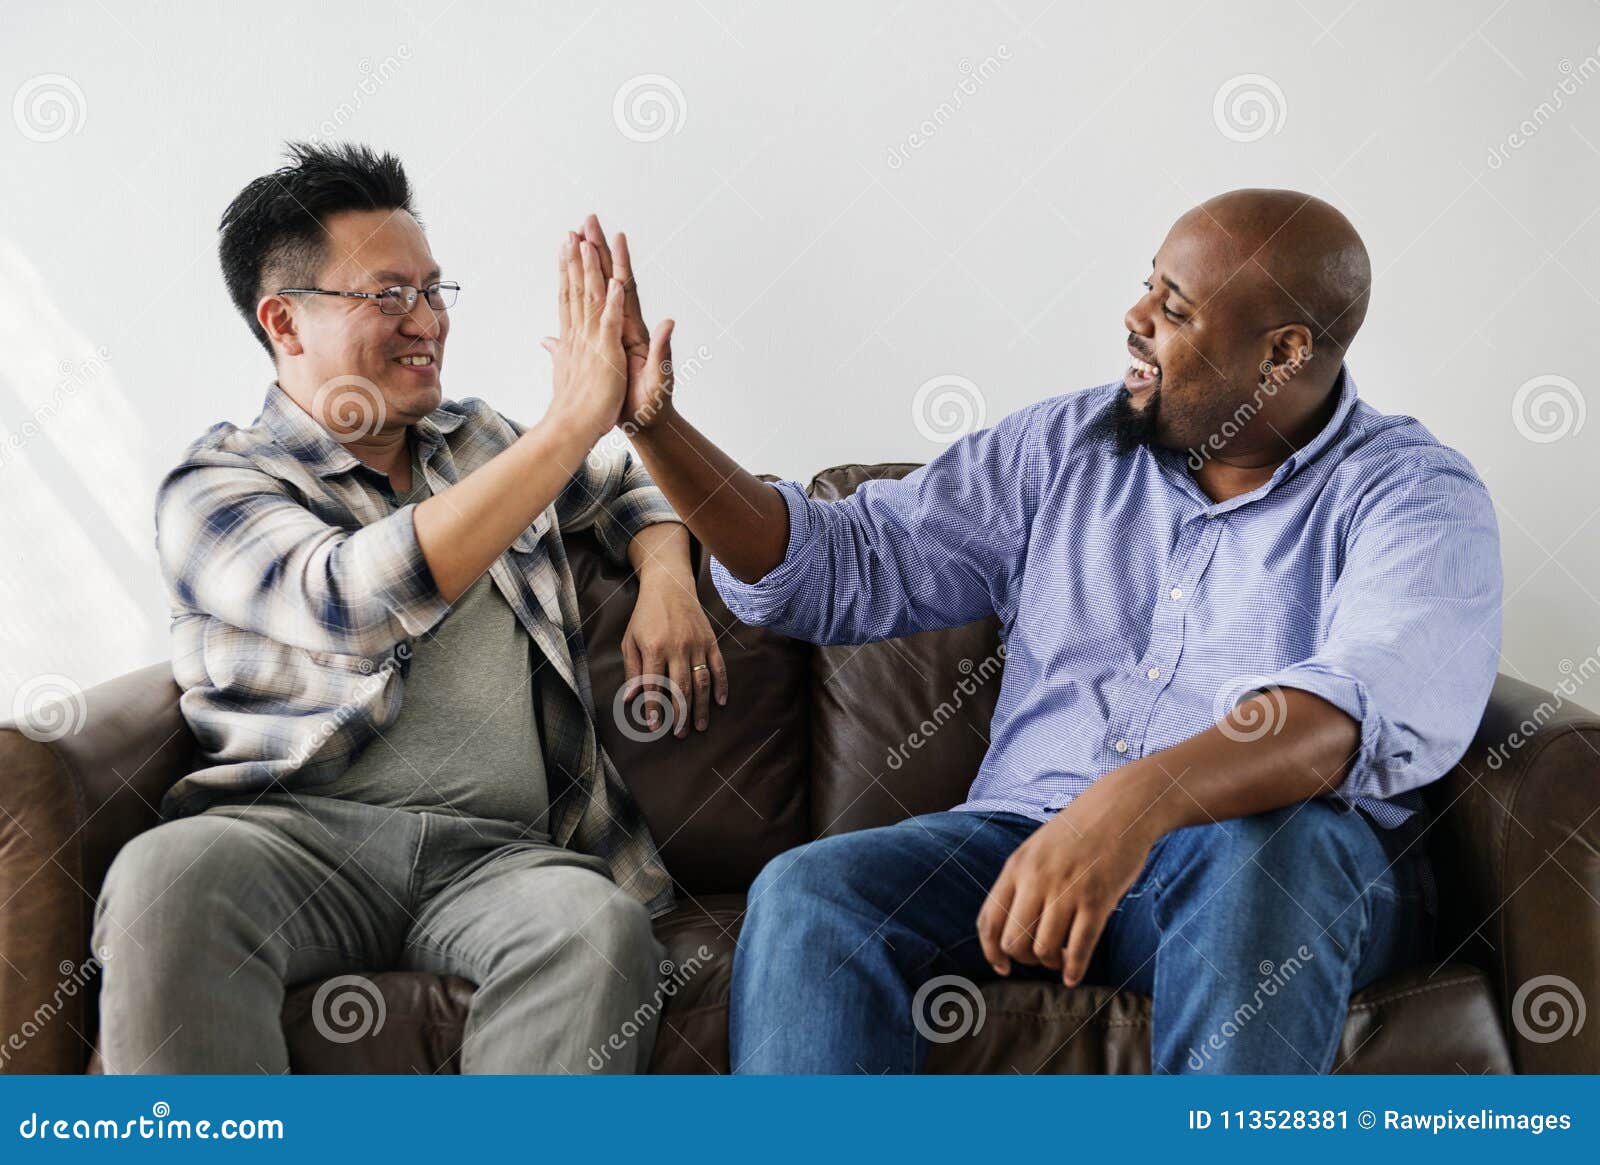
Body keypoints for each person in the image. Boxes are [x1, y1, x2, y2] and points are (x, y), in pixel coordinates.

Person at [580, 190, 1502, 1073]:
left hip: (1272, 867)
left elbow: (1363, 700)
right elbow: (837, 562)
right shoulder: (1065, 446)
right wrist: (657, 427)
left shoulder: (1412, 493)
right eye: (1149, 283)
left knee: (1262, 853)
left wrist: (1134, 805)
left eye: (1174, 308)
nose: (1135, 314)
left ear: (1284, 352)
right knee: (811, 893)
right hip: (1026, 844)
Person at [93, 142, 725, 1074]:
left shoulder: (482, 441)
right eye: (388, 295)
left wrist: (667, 575)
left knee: (596, 927)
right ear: (285, 321)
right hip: (291, 838)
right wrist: (564, 427)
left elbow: (632, 490)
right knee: (163, 879)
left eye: (435, 291)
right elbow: (352, 600)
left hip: (501, 857)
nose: (426, 321)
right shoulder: (216, 487)